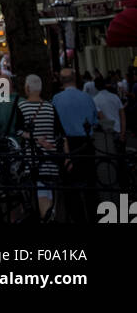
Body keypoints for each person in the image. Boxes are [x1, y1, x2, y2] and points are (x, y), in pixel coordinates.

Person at [52, 67, 98, 222]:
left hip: (68, 144)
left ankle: (77, 217)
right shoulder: (86, 98)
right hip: (86, 143)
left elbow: (55, 125)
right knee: (90, 184)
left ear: (61, 81)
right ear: (75, 79)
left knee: (70, 186)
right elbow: (94, 121)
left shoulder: (57, 99)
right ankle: (93, 215)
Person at [16, 75, 59, 220]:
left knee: (41, 193)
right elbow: (58, 132)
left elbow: (18, 130)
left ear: (27, 88)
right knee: (49, 192)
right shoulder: (50, 107)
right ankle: (50, 216)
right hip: (50, 157)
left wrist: (35, 139)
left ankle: (46, 218)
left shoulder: (22, 107)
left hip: (33, 159)